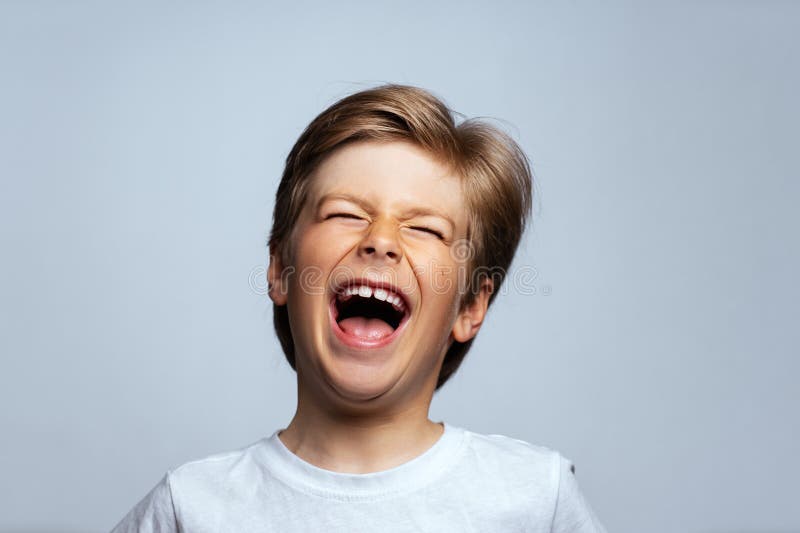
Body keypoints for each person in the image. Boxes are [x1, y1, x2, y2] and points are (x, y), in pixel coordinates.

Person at [111, 84, 607, 532]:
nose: (381, 241)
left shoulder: (535, 500)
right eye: (346, 214)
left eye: (427, 229)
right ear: (281, 268)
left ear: (469, 306)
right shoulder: (191, 508)